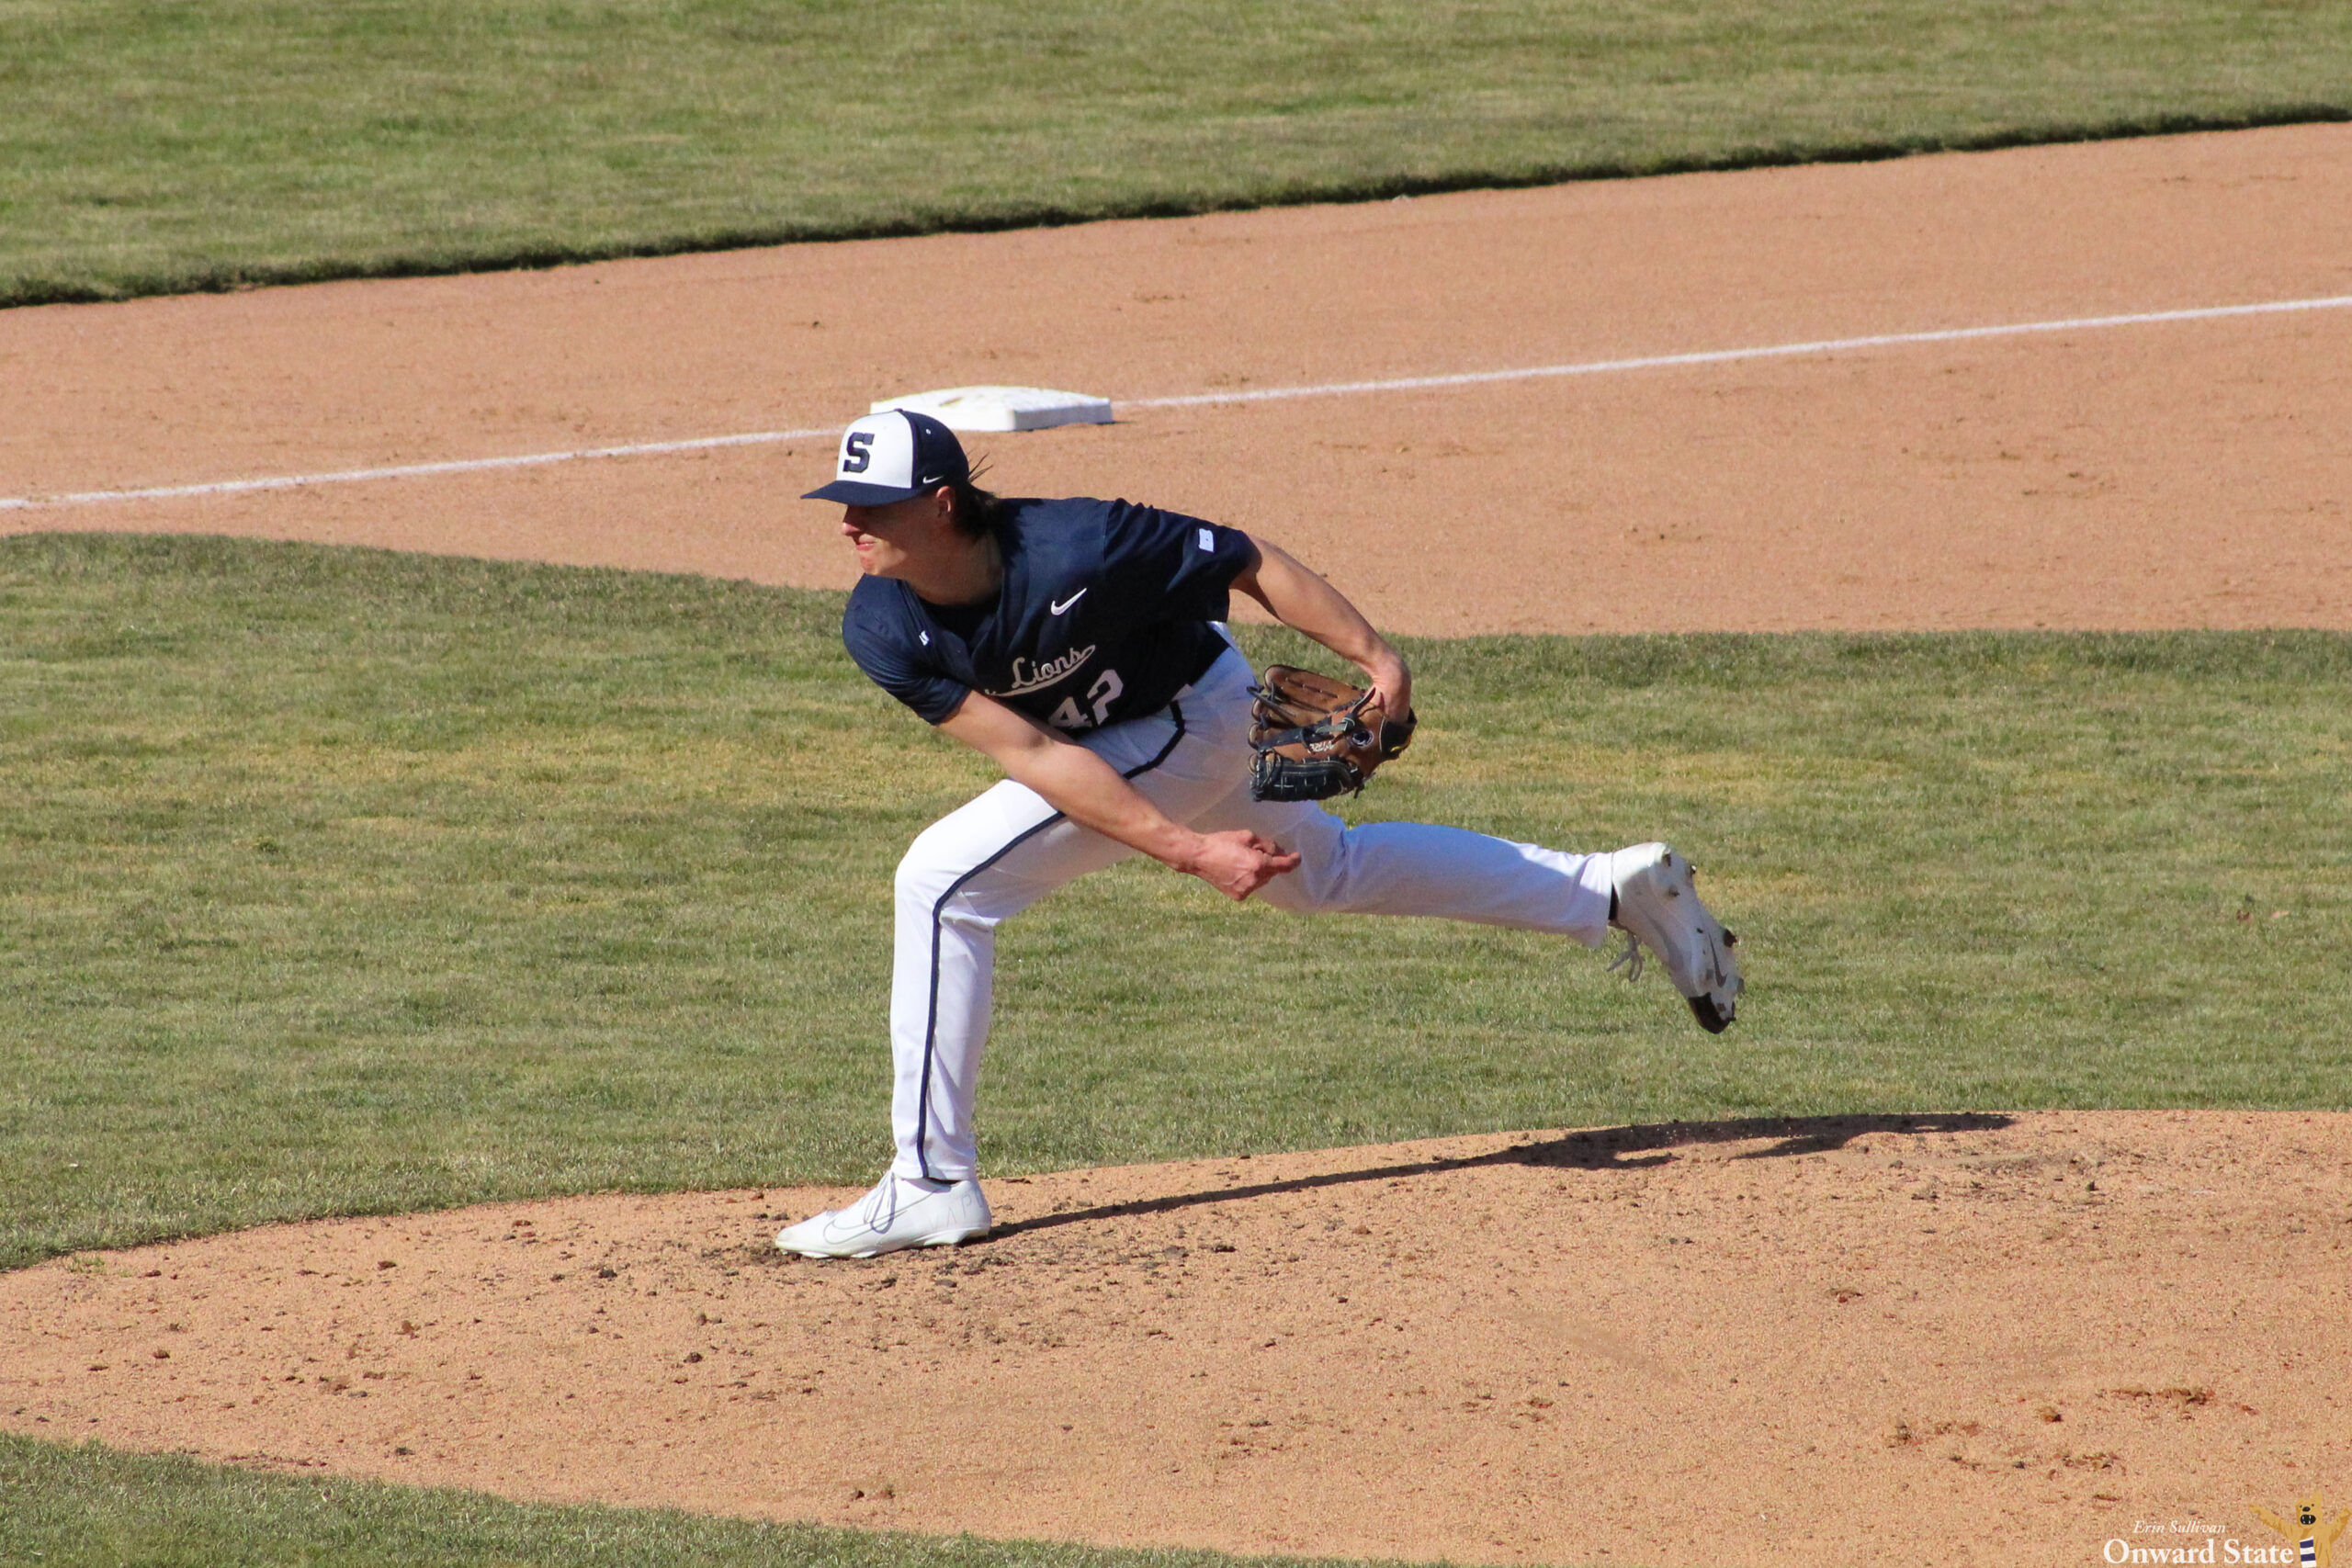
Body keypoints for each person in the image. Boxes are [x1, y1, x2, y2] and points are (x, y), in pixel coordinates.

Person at [775, 408, 1742, 1259]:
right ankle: (1608, 890)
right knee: (1325, 873)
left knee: (942, 884)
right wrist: (1192, 846)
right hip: (1143, 739)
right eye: (844, 504)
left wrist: (1375, 660)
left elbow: (1245, 558)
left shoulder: (1084, 542)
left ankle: (932, 1181)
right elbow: (1032, 752)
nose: (850, 524)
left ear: (942, 504)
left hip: (1196, 713)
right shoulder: (882, 627)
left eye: (873, 505)